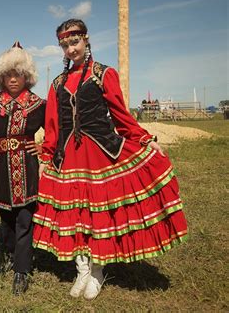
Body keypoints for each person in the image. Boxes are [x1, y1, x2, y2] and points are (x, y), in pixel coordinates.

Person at [32, 19, 188, 300]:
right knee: (73, 214)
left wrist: (144, 140)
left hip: (100, 153)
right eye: (65, 45)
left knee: (97, 213)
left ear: (87, 40)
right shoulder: (57, 83)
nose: (71, 49)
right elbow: (53, 125)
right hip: (67, 157)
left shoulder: (104, 74)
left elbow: (121, 115)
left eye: (75, 42)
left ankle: (98, 271)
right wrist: (46, 155)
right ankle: (81, 268)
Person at [0, 42, 45, 295]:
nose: (13, 79)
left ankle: (21, 270)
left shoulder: (39, 104)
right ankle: (10, 253)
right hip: (0, 169)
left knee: (24, 219)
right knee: (6, 218)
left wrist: (45, 148)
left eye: (18, 74)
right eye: (8, 74)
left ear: (27, 76)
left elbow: (56, 130)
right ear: (1, 76)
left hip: (27, 167)